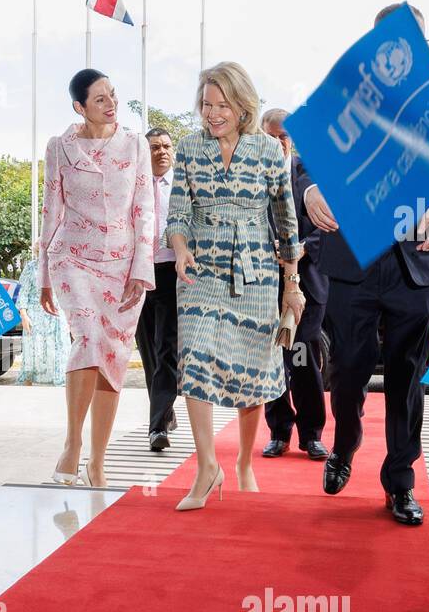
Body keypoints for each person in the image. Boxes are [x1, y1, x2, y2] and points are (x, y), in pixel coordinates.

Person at [302, 4, 429, 527]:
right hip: (352, 261)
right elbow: (304, 158)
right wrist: (309, 188)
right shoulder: (339, 99)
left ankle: (400, 483)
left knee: (407, 380)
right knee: (349, 372)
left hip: (416, 267)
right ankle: (344, 446)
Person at [166, 63, 303, 508]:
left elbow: (285, 221)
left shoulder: (268, 151)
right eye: (206, 105)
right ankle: (207, 466)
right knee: (195, 357)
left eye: (222, 105)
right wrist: (181, 245)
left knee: (250, 369)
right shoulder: (188, 148)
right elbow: (177, 211)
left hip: (257, 269)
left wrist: (292, 284)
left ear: (243, 106)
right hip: (201, 266)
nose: (213, 113)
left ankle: (244, 462)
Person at [38, 69, 155, 488]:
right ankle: (72, 444)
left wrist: (141, 269)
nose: (111, 104)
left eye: (113, 95)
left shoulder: (135, 144)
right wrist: (44, 276)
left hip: (123, 266)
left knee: (113, 360)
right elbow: (51, 208)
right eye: (100, 99)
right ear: (79, 107)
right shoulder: (60, 148)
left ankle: (98, 460)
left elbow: (144, 207)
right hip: (72, 258)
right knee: (86, 338)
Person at [260, 109, 329, 462]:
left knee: (303, 358)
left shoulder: (311, 173)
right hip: (263, 285)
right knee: (272, 361)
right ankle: (278, 430)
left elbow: (332, 225)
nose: (277, 142)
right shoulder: (251, 173)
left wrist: (302, 249)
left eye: (283, 136)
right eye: (271, 136)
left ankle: (312, 433)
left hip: (308, 284)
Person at [136, 127, 181, 452]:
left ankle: (157, 427)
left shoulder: (182, 187)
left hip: (170, 273)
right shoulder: (133, 186)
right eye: (154, 147)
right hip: (138, 274)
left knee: (167, 348)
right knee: (147, 348)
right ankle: (164, 409)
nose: (161, 152)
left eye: (166, 146)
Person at [16, 249, 71, 386]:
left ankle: (60, 382)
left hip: (58, 314)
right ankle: (28, 383)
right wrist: (24, 315)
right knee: (33, 350)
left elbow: (69, 292)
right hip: (36, 315)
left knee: (61, 347)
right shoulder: (31, 267)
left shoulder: (62, 267)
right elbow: (22, 293)